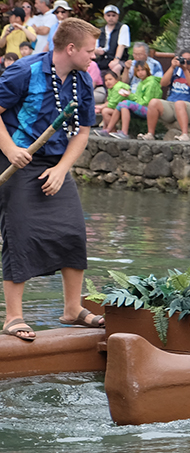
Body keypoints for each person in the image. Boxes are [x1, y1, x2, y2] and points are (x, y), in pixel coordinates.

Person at [0, 17, 101, 342]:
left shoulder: (81, 81)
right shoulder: (24, 71)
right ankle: (13, 317)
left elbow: (82, 132)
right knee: (20, 234)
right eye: (89, 50)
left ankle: (73, 308)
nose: (93, 56)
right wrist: (11, 149)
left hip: (55, 163)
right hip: (16, 159)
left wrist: (61, 169)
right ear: (70, 48)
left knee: (72, 230)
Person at [142, 51, 190, 141]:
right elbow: (163, 83)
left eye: (188, 60)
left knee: (179, 103)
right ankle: (150, 134)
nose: (186, 62)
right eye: (183, 60)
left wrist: (185, 70)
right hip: (172, 105)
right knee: (153, 102)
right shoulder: (176, 73)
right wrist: (172, 67)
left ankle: (185, 135)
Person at [102, 61, 160, 139]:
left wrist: (130, 95)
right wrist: (130, 96)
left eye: (142, 70)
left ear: (147, 70)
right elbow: (137, 99)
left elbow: (146, 102)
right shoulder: (141, 82)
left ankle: (124, 133)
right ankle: (108, 130)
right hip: (140, 107)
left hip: (150, 110)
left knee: (125, 103)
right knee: (121, 104)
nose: (140, 73)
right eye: (138, 70)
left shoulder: (151, 83)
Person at [95, 5, 130, 74]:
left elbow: (121, 45)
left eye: (113, 15)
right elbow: (94, 48)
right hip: (102, 61)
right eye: (108, 15)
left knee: (115, 68)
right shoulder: (100, 31)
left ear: (118, 16)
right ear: (104, 16)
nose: (111, 18)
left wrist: (116, 59)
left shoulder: (123, 28)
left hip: (119, 60)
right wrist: (97, 51)